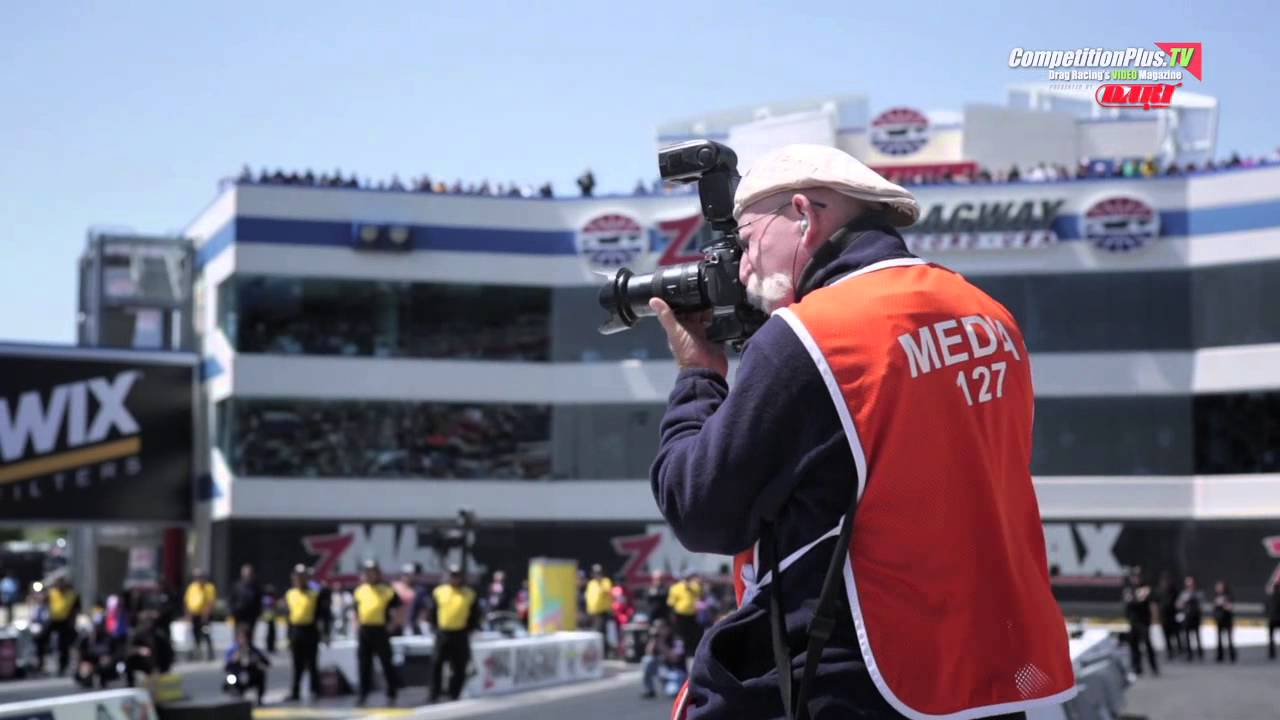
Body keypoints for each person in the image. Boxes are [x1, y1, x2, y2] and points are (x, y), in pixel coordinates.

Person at [648, 144, 1075, 719]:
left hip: (854, 678)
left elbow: (700, 508)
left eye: (747, 242)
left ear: (802, 215)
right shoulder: (988, 314)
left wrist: (699, 375)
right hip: (987, 678)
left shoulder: (811, 334)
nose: (742, 268)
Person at [428, 566, 479, 703]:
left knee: (459, 666)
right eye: (452, 575)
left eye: (457, 576)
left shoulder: (469, 593)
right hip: (443, 633)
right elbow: (432, 612)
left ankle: (454, 693)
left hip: (460, 633)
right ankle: (434, 693)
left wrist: (469, 629)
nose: (454, 578)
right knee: (437, 663)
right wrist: (434, 628)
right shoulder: (439, 592)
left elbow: (475, 615)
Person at [353, 560, 400, 706]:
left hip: (380, 630)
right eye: (366, 572)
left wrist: (393, 625)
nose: (368, 575)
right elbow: (356, 610)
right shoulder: (360, 590)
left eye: (371, 572)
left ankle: (392, 692)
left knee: (386, 662)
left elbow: (398, 608)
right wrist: (357, 625)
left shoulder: (387, 590)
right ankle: (363, 694)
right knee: (364, 664)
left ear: (377, 573)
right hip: (365, 630)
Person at [285, 565, 322, 702]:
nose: (299, 579)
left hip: (310, 630)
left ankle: (315, 690)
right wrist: (288, 636)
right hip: (296, 630)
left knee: (312, 662)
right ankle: (295, 691)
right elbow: (289, 616)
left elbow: (321, 614)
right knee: (297, 663)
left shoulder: (314, 593)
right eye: (297, 576)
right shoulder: (290, 594)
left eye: (302, 576)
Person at [40, 576, 81, 676]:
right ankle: (41, 663)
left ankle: (63, 666)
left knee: (64, 645)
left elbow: (76, 609)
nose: (60, 586)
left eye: (62, 584)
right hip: (53, 620)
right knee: (41, 638)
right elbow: (42, 600)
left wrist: (73, 622)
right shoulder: (52, 592)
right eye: (58, 584)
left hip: (65, 621)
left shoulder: (72, 594)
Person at [1122, 567, 1159, 676]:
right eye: (1134, 577)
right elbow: (1129, 604)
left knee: (1148, 644)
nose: (1136, 579)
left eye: (1138, 577)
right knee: (1134, 646)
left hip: (1143, 622)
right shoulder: (1129, 590)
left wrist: (1135, 599)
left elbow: (1142, 601)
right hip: (1133, 622)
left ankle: (1154, 667)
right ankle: (1137, 667)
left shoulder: (1145, 589)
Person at [223, 624, 270, 705]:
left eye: (245, 638)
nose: (243, 640)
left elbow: (267, 663)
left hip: (250, 674)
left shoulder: (253, 650)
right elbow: (226, 667)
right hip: (237, 675)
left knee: (261, 674)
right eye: (241, 638)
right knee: (230, 677)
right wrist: (234, 659)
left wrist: (256, 660)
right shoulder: (233, 649)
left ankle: (259, 698)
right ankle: (233, 695)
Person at [641, 618, 686, 699]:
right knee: (647, 660)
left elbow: (675, 658)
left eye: (661, 627)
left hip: (676, 672)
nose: (658, 630)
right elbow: (649, 653)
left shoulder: (677, 639)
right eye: (656, 627)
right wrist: (654, 639)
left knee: (673, 692)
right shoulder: (655, 639)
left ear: (668, 628)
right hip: (662, 672)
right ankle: (649, 689)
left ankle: (674, 687)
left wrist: (661, 642)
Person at [666, 572, 701, 660]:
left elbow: (699, 596)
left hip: (692, 615)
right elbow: (671, 604)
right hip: (680, 615)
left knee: (693, 634)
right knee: (680, 635)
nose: (687, 581)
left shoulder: (695, 587)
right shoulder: (675, 588)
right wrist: (672, 616)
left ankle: (692, 651)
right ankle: (680, 653)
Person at [184, 568, 217, 660]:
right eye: (196, 577)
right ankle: (197, 654)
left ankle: (210, 654)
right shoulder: (192, 587)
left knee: (206, 633)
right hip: (195, 615)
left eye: (200, 577)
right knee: (195, 634)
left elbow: (211, 602)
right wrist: (188, 615)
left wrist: (205, 615)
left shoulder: (209, 587)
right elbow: (187, 601)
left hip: (205, 616)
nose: (198, 579)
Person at [584, 564, 615, 655]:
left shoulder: (606, 581)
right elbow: (589, 596)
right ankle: (596, 651)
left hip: (603, 613)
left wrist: (600, 582)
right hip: (593, 613)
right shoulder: (591, 583)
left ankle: (605, 652)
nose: (597, 575)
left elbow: (607, 592)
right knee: (594, 632)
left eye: (599, 573)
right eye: (595, 573)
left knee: (602, 632)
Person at [231, 564, 263, 643]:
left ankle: (248, 653)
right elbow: (232, 600)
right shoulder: (237, 585)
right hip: (239, 616)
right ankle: (237, 653)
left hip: (251, 617)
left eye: (249, 573)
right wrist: (233, 611)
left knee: (248, 638)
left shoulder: (256, 587)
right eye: (246, 573)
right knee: (238, 637)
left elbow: (259, 602)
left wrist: (257, 614)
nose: (248, 575)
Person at [1178, 576, 1205, 661]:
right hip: (1187, 617)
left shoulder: (1199, 593)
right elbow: (1178, 604)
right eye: (1188, 583)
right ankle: (1189, 653)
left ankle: (1200, 652)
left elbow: (1201, 606)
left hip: (1195, 617)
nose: (1190, 585)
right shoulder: (1183, 594)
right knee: (1187, 636)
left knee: (1197, 635)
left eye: (1191, 583)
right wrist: (1184, 602)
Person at [1157, 572, 1183, 660]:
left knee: (1176, 634)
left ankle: (1179, 649)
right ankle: (1170, 651)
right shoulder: (1161, 591)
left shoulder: (1173, 590)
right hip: (1164, 617)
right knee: (1167, 636)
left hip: (1172, 616)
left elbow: (1177, 602)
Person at [1213, 581, 1237, 663]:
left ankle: (1232, 655)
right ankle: (1220, 656)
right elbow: (1214, 608)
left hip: (1227, 620)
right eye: (1218, 587)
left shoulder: (1228, 596)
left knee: (1230, 639)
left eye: (1221, 587)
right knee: (1219, 639)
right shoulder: (1216, 596)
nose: (1219, 589)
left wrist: (1224, 603)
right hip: (1219, 620)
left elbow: (1230, 607)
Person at [1269, 581, 1280, 660]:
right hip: (1278, 618)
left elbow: (1266, 607)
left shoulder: (1271, 597)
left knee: (1271, 637)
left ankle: (1272, 653)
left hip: (1272, 619)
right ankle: (1271, 652)